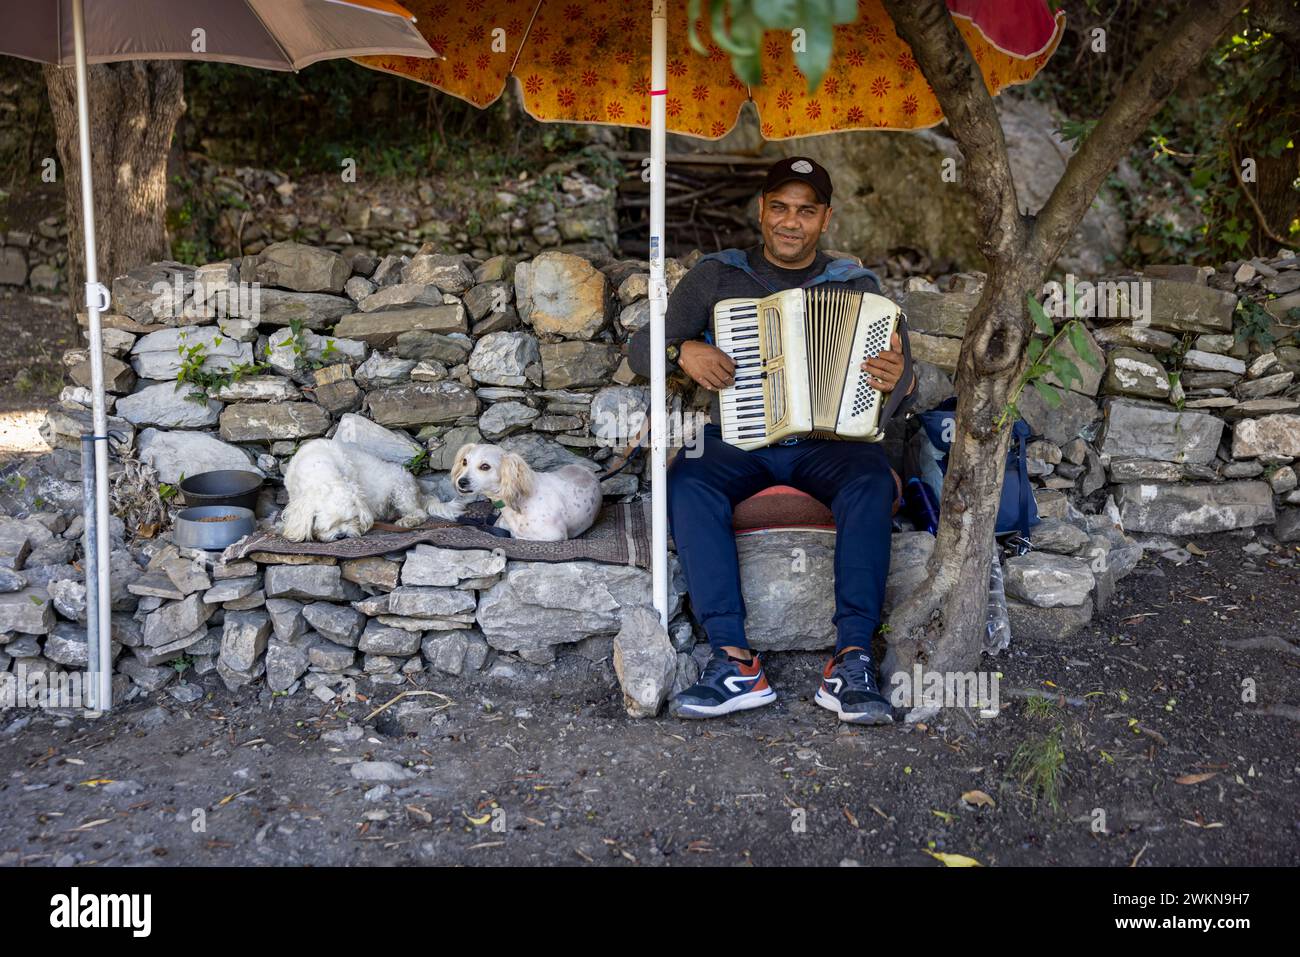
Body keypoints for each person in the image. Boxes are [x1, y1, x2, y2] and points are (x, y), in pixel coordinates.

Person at [628, 156, 916, 725]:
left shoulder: (857, 286)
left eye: (806, 211)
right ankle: (734, 660)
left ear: (825, 219)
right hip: (739, 436)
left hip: (829, 441)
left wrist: (895, 377)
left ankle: (852, 660)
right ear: (761, 210)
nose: (791, 222)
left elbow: (907, 379)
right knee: (686, 478)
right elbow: (641, 348)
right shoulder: (717, 275)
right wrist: (680, 351)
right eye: (780, 207)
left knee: (868, 480)